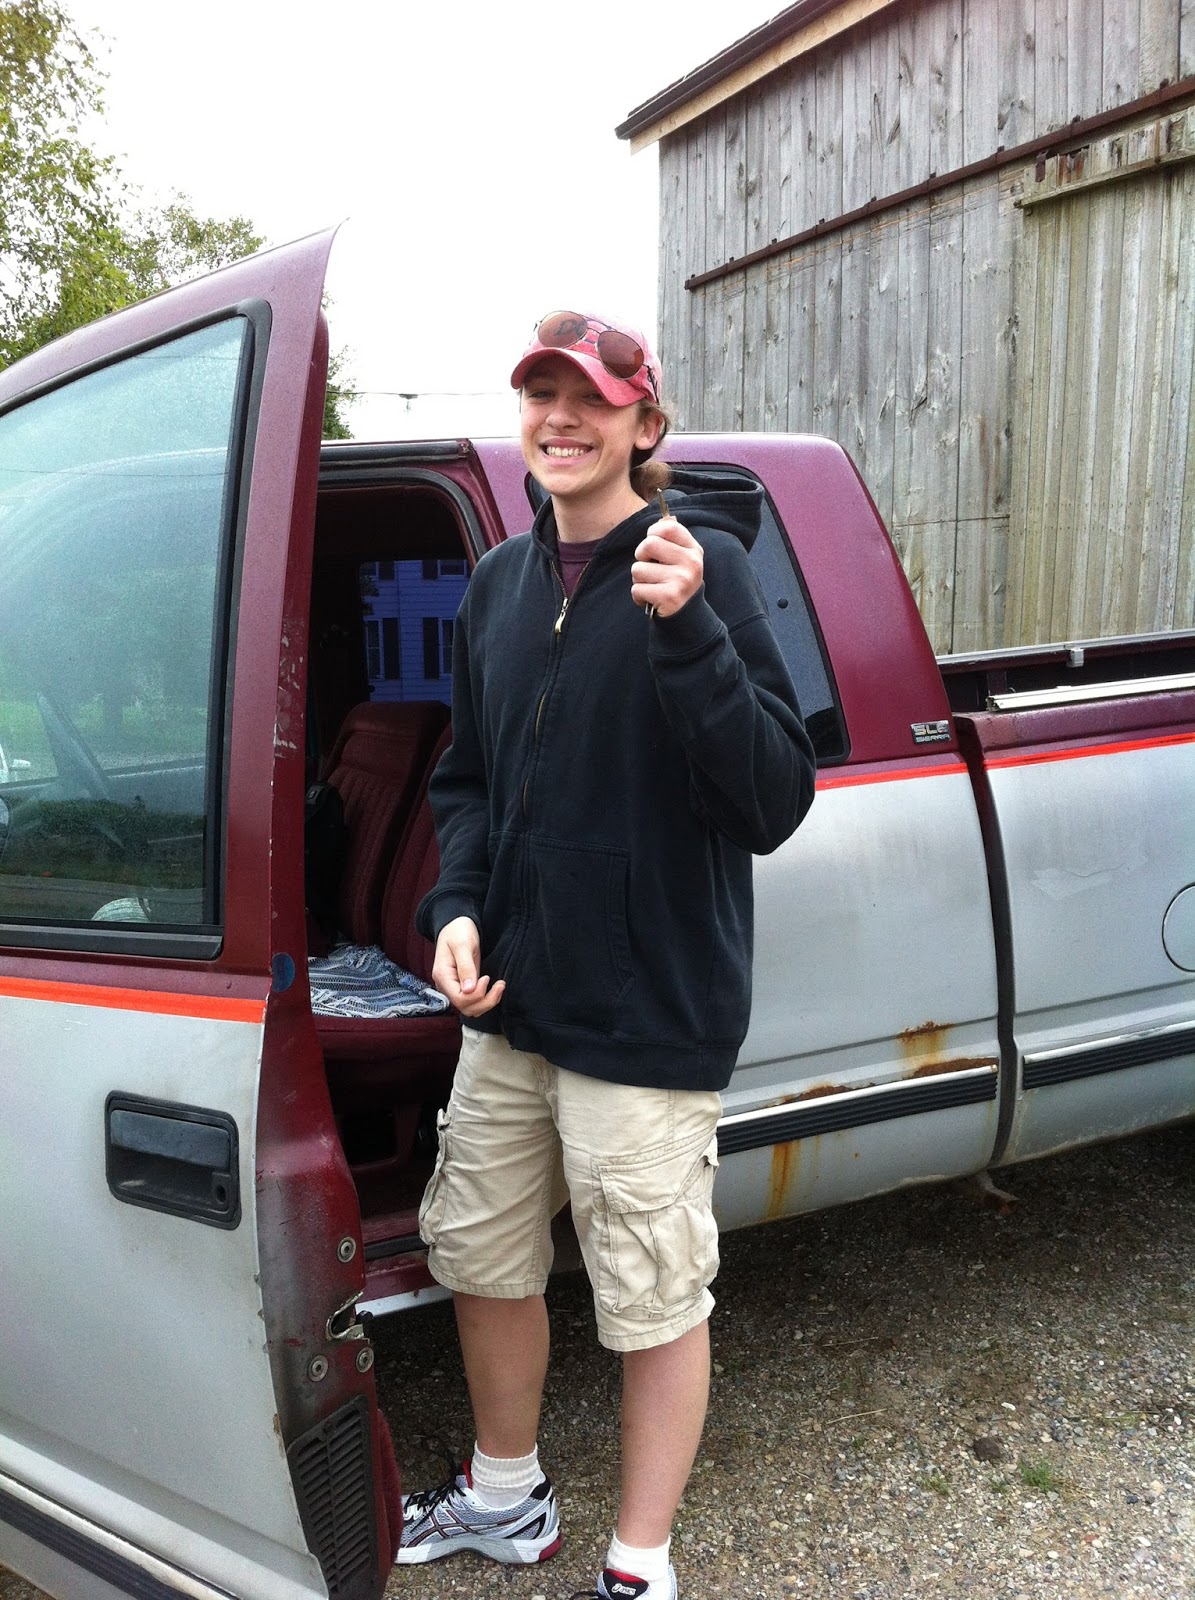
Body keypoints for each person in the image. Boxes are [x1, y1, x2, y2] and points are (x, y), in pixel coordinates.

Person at [398, 310, 817, 1600]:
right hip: (511, 1005)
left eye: (588, 398)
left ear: (646, 423)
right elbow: (467, 784)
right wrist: (453, 909)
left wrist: (687, 630)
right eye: (538, 395)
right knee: (480, 1257)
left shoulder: (708, 567)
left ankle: (642, 1565)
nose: (558, 420)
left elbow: (772, 800)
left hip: (646, 1014)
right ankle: (506, 1498)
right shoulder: (501, 587)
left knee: (650, 1300)